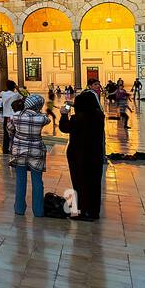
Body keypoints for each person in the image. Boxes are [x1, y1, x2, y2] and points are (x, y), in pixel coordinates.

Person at [59, 89, 105, 220]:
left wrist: (64, 114)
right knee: (94, 183)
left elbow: (64, 128)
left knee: (81, 182)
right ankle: (93, 212)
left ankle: (83, 211)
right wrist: (75, 105)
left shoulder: (78, 118)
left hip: (79, 155)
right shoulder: (99, 116)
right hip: (95, 154)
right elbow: (88, 106)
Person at [9, 94, 48, 216]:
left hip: (19, 151)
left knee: (20, 180)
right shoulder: (42, 118)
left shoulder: (16, 116)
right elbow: (47, 119)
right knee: (37, 181)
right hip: (36, 151)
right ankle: (38, 210)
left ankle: (19, 209)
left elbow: (9, 129)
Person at [0, 79, 20, 154]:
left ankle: (5, 149)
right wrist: (17, 89)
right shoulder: (16, 94)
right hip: (13, 117)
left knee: (6, 134)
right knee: (15, 134)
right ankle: (14, 149)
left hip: (6, 117)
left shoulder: (3, 93)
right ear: (14, 87)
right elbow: (25, 96)